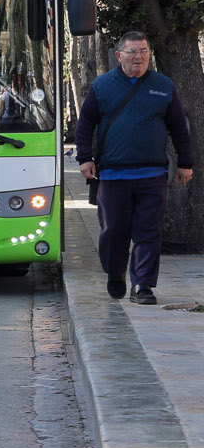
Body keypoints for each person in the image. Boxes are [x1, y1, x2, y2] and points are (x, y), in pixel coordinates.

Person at [74, 32, 196, 304]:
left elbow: (179, 127)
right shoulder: (101, 85)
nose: (138, 56)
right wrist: (85, 158)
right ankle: (115, 272)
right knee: (113, 229)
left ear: (149, 54)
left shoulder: (163, 86)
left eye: (143, 51)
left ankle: (142, 285)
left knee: (148, 231)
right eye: (132, 52)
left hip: (152, 175)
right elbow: (85, 126)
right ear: (119, 56)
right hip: (113, 175)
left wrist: (186, 163)